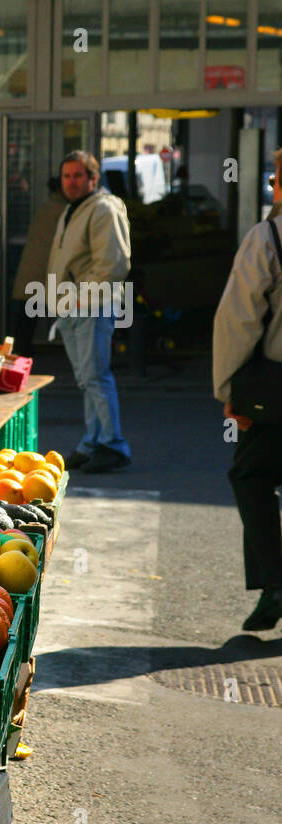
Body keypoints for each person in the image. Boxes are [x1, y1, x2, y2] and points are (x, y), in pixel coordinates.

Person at [214, 147, 282, 631]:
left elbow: (239, 320)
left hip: (275, 392)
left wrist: (228, 390)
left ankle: (275, 584)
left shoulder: (269, 237)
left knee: (253, 478)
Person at [46, 150, 132, 473]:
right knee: (86, 379)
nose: (71, 182)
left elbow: (114, 265)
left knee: (95, 376)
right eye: (66, 176)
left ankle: (113, 444)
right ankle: (92, 442)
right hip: (73, 306)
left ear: (93, 179)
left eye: (78, 176)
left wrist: (82, 299)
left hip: (91, 306)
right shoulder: (74, 209)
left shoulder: (103, 208)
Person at [9, 177, 68, 359]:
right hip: (45, 266)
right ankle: (22, 348)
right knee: (34, 309)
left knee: (28, 310)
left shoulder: (47, 207)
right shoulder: (64, 210)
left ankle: (21, 347)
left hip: (35, 265)